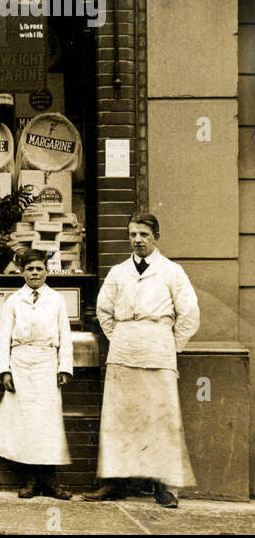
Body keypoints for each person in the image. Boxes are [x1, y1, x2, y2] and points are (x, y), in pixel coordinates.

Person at [84, 213, 199, 508]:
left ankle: (164, 486)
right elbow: (104, 312)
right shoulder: (118, 272)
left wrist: (168, 344)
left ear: (156, 236)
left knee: (161, 419)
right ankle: (114, 483)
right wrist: (122, 336)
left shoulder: (172, 272)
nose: (137, 240)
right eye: (133, 234)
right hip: (123, 350)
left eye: (144, 235)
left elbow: (189, 316)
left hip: (158, 349)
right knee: (118, 419)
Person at [0, 249, 74, 499]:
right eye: (30, 269)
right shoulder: (13, 301)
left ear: (47, 271)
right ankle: (31, 480)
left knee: (48, 423)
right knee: (25, 422)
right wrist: (5, 370)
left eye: (39, 268)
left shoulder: (56, 299)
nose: (35, 273)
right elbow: (4, 338)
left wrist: (64, 367)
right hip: (21, 364)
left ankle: (51, 480)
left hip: (47, 363)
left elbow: (65, 336)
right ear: (22, 272)